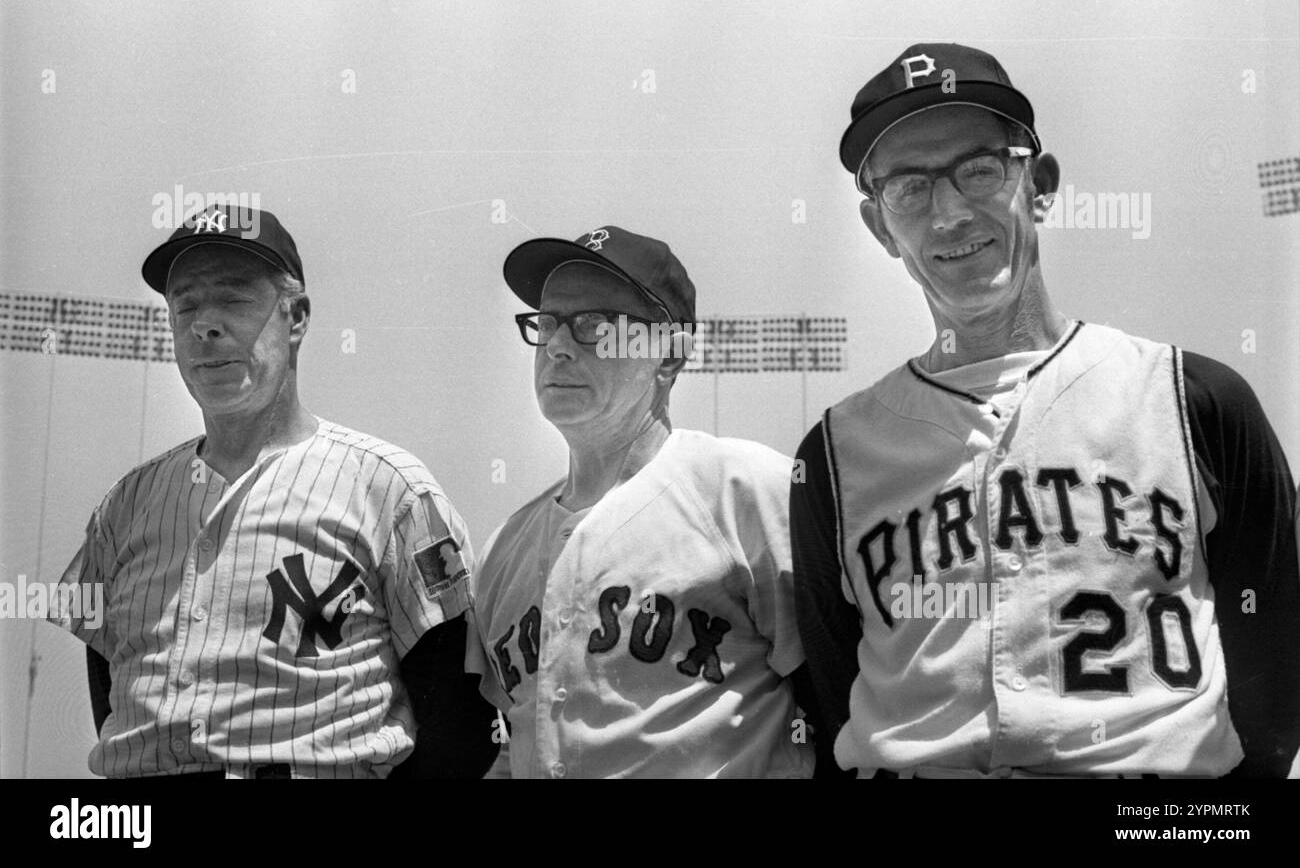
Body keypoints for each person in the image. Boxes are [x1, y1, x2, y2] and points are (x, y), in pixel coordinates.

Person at [791, 43, 1300, 778]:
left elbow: (1274, 682)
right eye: (908, 187)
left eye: (979, 169)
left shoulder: (1197, 403)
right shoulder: (835, 453)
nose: (949, 212)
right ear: (880, 227)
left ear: (1040, 185)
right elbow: (839, 687)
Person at [48, 205, 496, 778]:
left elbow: (460, 726)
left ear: (297, 317)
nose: (204, 325)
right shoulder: (126, 505)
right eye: (185, 305)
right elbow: (111, 695)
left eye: (233, 299)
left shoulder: (389, 489)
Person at [467, 225, 821, 778]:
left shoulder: (744, 490)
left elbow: (838, 703)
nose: (558, 345)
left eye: (593, 325)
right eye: (548, 323)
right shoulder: (502, 550)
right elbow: (513, 746)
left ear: (670, 357)